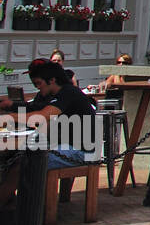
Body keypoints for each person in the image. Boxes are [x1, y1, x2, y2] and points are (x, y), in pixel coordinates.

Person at [0, 58, 98, 208]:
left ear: (52, 80)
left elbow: (41, 116)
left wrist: (9, 118)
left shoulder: (68, 93)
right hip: (65, 146)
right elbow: (33, 108)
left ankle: (19, 208)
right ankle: (12, 204)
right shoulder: (53, 95)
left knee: (23, 163)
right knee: (10, 159)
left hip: (82, 151)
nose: (37, 88)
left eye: (39, 83)